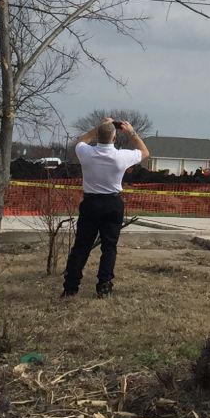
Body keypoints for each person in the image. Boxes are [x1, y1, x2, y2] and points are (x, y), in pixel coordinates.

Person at [61, 117, 149, 300]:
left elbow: (81, 141)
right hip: (113, 204)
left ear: (97, 137)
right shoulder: (121, 156)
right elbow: (144, 152)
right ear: (115, 139)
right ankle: (104, 286)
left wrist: (99, 127)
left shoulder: (86, 153)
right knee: (109, 247)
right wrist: (131, 132)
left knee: (81, 247)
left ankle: (70, 287)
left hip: (91, 203)